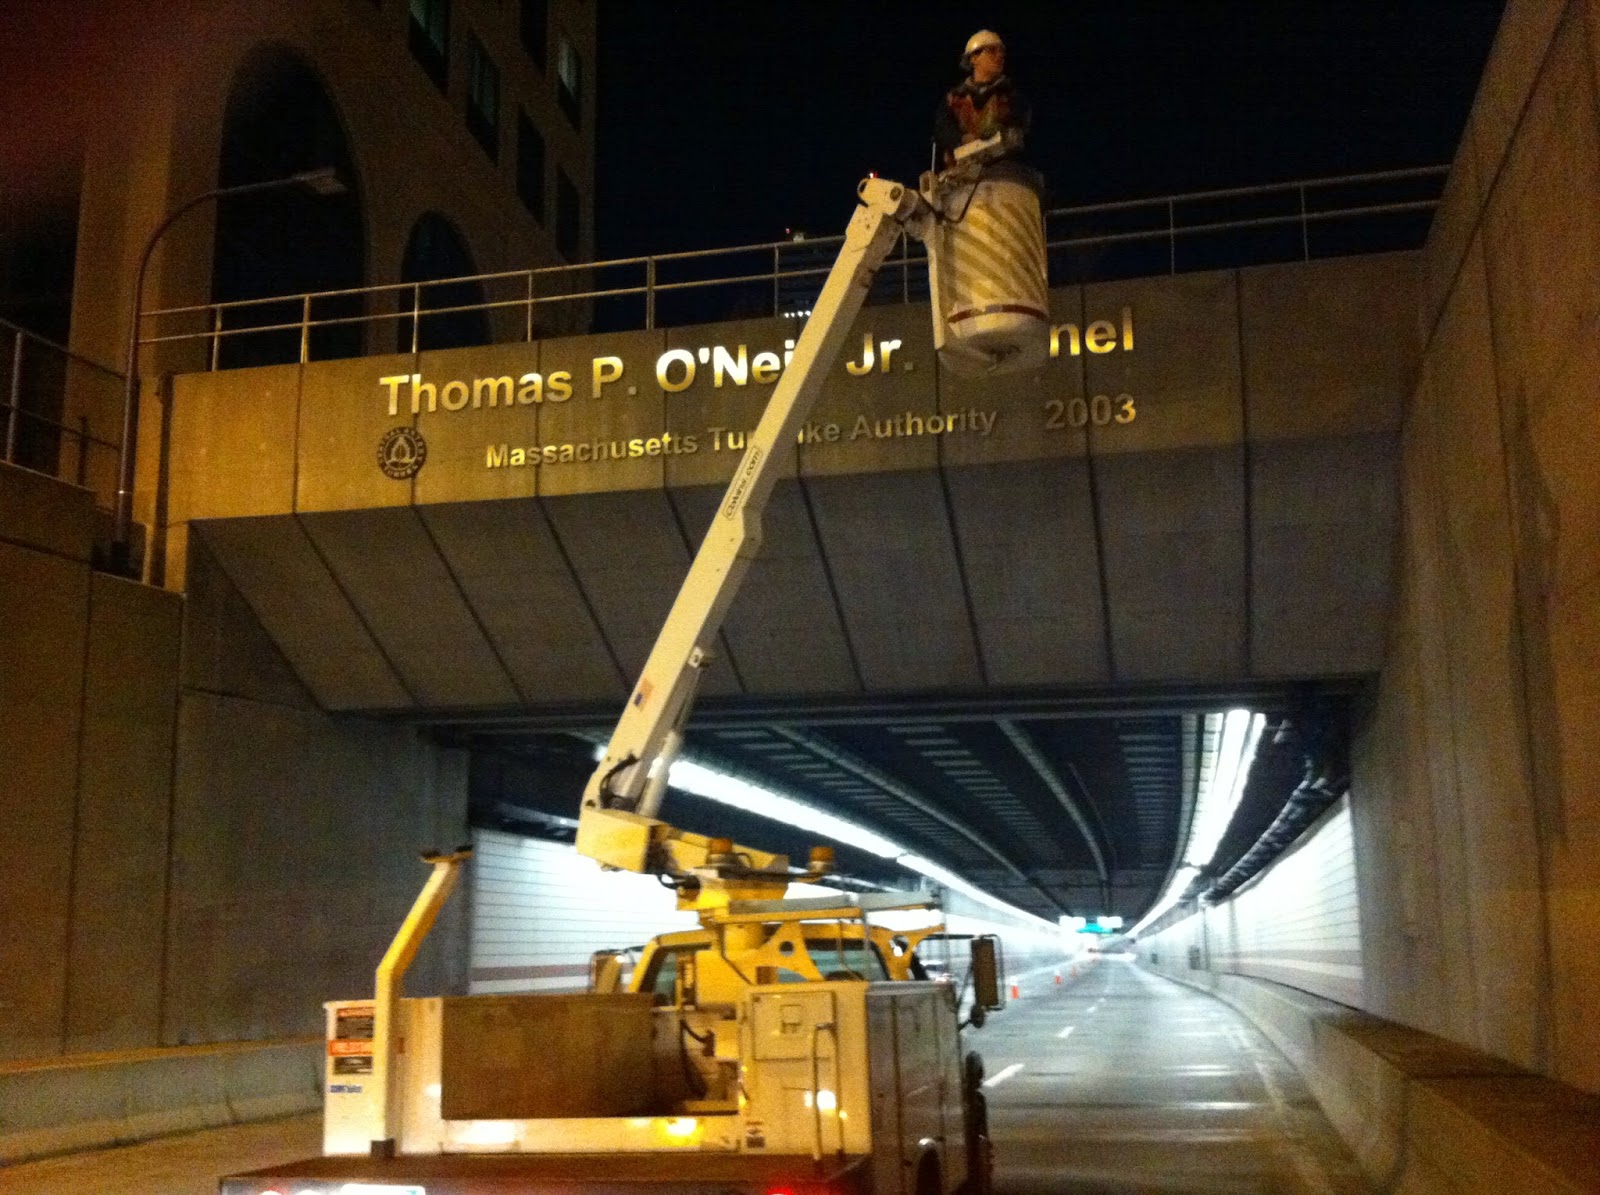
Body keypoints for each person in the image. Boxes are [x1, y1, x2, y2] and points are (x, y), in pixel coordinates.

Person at [934, 29, 1032, 170]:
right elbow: (942, 129)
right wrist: (960, 140)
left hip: (1003, 173)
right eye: (992, 51)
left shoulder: (1012, 97)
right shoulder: (953, 99)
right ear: (974, 58)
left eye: (1001, 52)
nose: (999, 56)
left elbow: (1019, 128)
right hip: (961, 175)